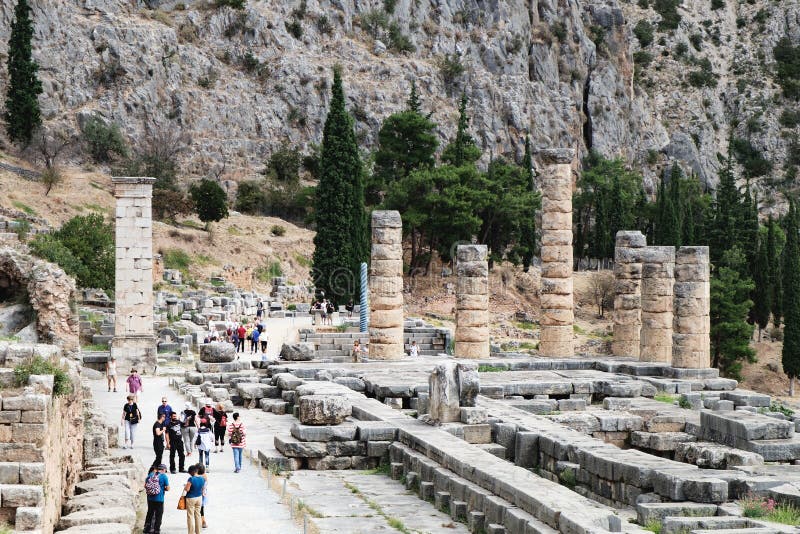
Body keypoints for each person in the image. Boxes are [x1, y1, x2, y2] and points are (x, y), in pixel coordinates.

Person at [143, 463, 169, 534]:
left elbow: (145, 485)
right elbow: (168, 488)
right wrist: (162, 488)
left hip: (150, 498)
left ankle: (147, 529)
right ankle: (156, 530)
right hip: (159, 499)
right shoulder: (164, 476)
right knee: (158, 514)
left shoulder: (151, 475)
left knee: (150, 513)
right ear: (163, 470)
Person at [182, 465, 205, 534]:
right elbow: (203, 489)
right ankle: (198, 532)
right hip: (199, 498)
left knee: (190, 516)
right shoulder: (202, 478)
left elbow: (187, 489)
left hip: (191, 498)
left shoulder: (191, 479)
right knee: (198, 515)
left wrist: (185, 486)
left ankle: (191, 532)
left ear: (192, 472)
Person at [196, 463, 209, 529]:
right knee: (201, 508)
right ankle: (203, 521)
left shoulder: (195, 477)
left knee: (196, 509)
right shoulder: (205, 476)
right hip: (202, 495)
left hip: (195, 495)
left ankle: (198, 522)